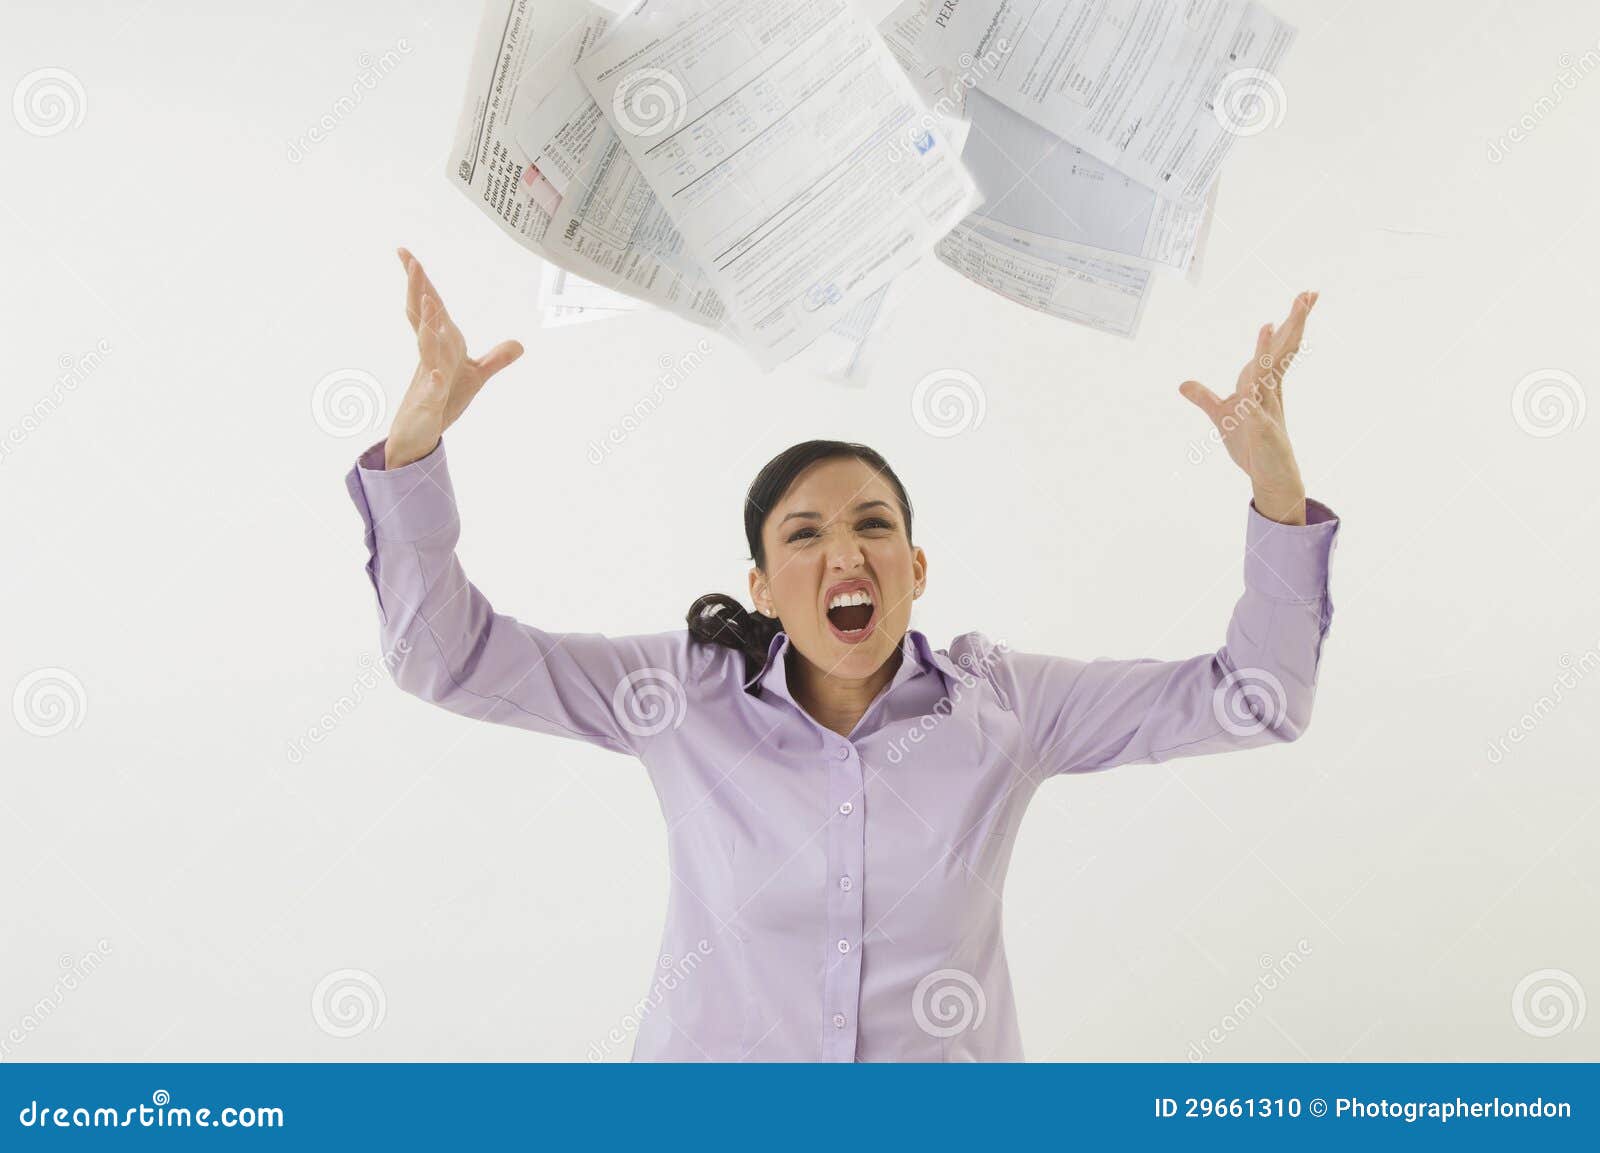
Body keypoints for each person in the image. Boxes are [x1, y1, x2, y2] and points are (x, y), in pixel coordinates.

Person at [344, 247, 1339, 1061]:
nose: (844, 553)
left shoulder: (1003, 705)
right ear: (763, 589)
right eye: (804, 535)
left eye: (871, 526)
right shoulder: (679, 696)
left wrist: (1275, 493)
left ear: (913, 567)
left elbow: (1254, 700)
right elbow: (448, 659)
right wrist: (415, 448)